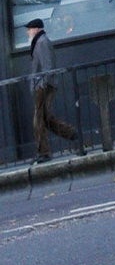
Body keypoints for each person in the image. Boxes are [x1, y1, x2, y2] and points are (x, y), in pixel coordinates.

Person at [26, 18, 78, 162]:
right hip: (42, 85)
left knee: (38, 120)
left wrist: (41, 85)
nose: (27, 32)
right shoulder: (39, 41)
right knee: (45, 118)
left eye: (29, 29)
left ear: (36, 29)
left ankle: (44, 153)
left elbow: (47, 66)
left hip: (43, 86)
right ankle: (71, 133)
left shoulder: (42, 42)